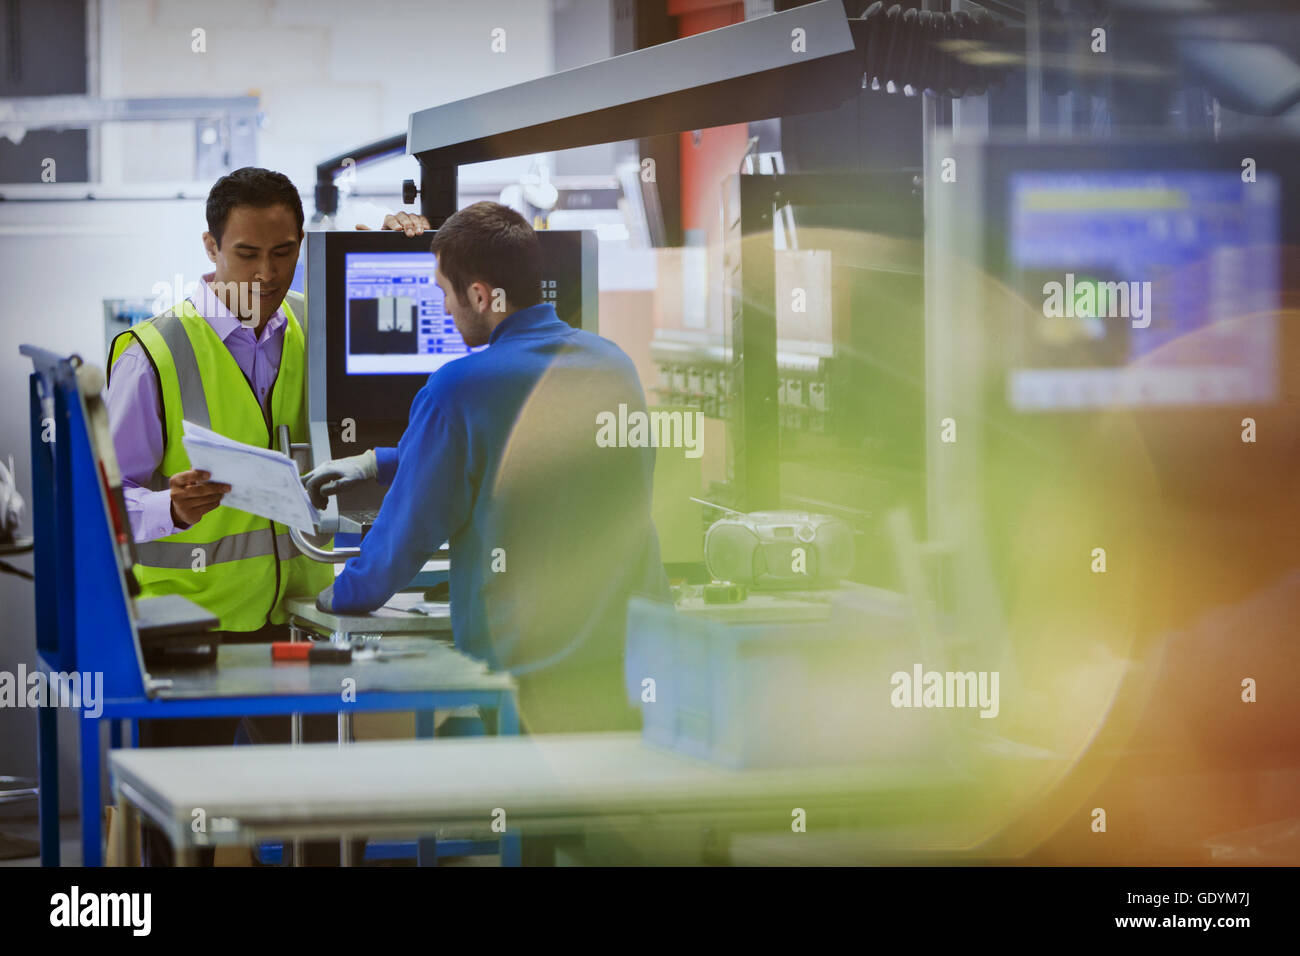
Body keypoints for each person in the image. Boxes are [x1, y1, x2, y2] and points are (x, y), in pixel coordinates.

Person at [103, 166, 422, 864]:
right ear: (211, 247)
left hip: (297, 623)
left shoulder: (315, 325)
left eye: (284, 251)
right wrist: (169, 506)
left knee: (329, 815)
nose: (269, 271)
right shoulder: (154, 353)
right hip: (193, 632)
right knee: (180, 826)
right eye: (247, 253)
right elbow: (110, 504)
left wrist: (414, 249)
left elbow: (423, 322)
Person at [307, 201, 671, 737]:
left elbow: (406, 537)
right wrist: (377, 462)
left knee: (504, 796)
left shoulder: (459, 385)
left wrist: (337, 595)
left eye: (444, 294)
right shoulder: (612, 364)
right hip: (627, 665)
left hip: (528, 679)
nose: (444, 309)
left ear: (480, 295)